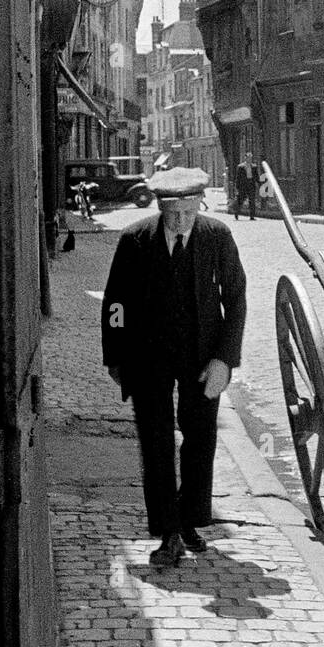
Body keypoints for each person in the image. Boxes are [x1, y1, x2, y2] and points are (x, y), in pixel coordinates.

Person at [101, 167, 247, 567]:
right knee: (157, 442)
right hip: (149, 356)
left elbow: (235, 300)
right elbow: (115, 303)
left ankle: (190, 521)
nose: (181, 221)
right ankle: (167, 531)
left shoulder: (217, 236)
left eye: (188, 212)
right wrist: (115, 355)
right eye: (173, 213)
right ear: (161, 207)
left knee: (200, 440)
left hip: (202, 357)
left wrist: (224, 360)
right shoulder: (135, 240)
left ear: (199, 205)